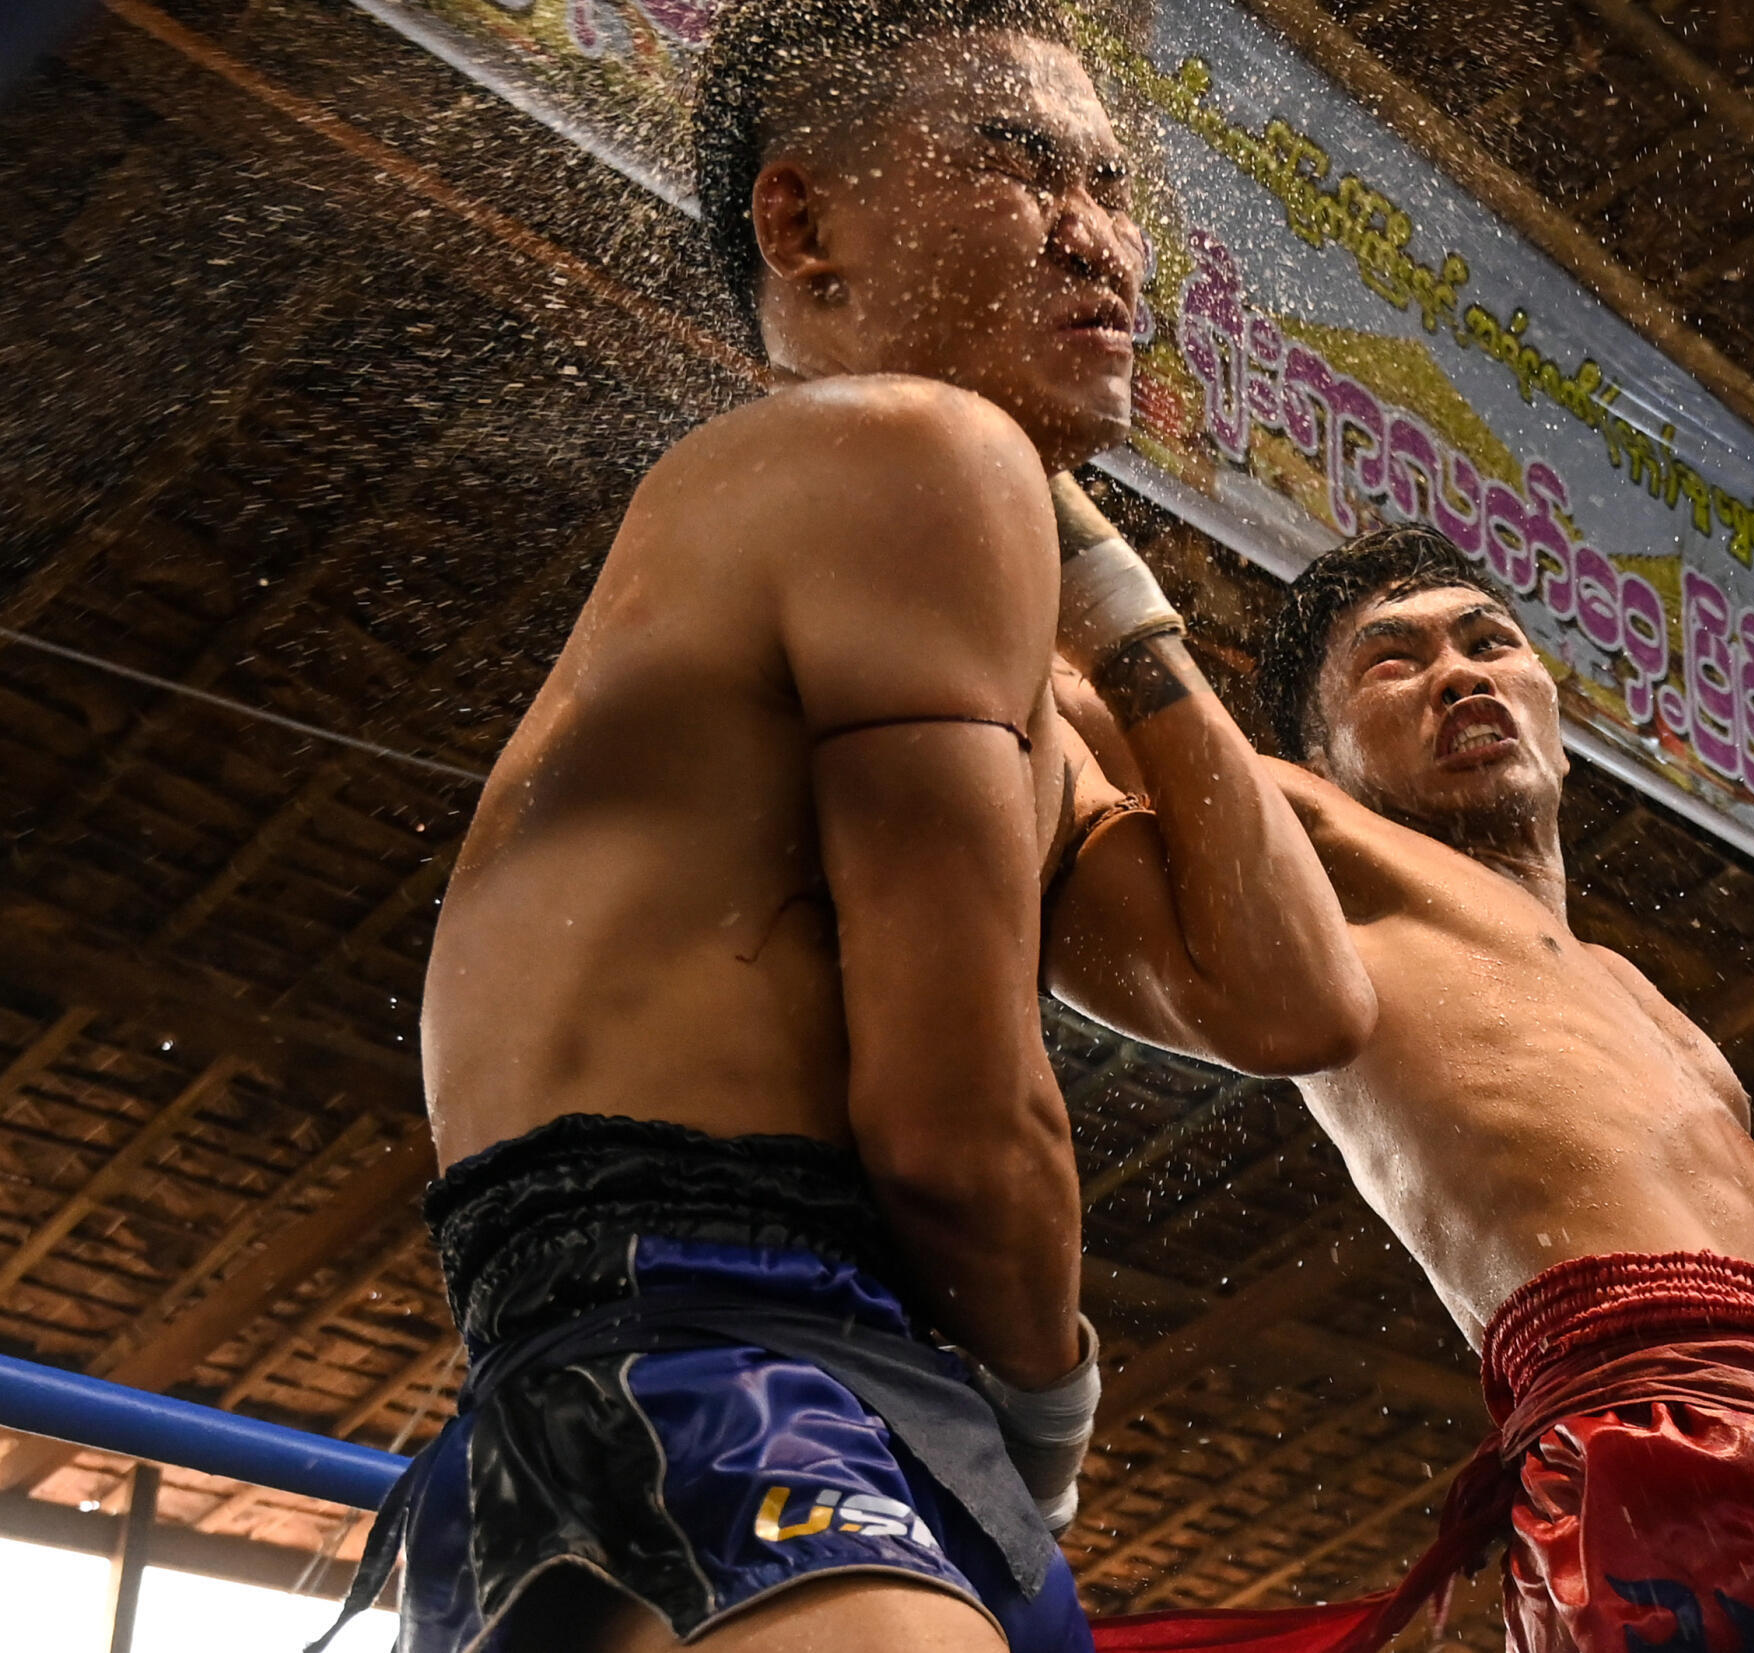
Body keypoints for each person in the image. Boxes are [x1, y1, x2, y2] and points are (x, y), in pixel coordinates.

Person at [319, 5, 1375, 1653]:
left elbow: (1291, 1000)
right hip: (728, 1346)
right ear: (803, 225)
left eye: (1109, 180)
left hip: (665, 1365)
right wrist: (1051, 1402)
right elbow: (959, 1122)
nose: (1096, 234)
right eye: (1024, 167)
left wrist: (1125, 615)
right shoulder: (910, 447)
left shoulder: (964, 592)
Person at [1087, 524, 1754, 1653]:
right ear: (1320, 764)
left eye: (1487, 641)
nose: (1457, 671)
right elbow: (1061, 688)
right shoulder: (1318, 854)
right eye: (1391, 660)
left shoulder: (1656, 1016)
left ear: (1555, 712)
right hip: (1648, 1447)